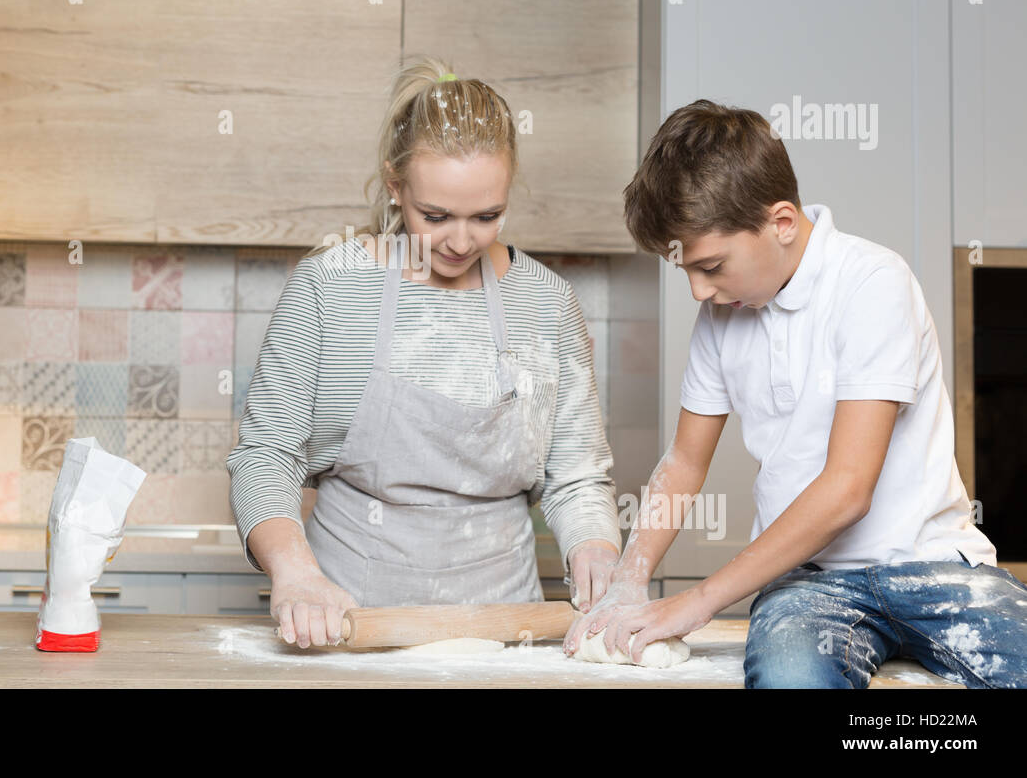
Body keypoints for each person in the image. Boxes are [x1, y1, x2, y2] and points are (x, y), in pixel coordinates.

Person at [564, 98, 1027, 687]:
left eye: (710, 265)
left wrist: (698, 600)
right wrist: (631, 581)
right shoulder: (723, 317)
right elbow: (682, 463)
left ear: (782, 223)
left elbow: (847, 490)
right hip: (809, 585)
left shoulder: (872, 283)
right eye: (684, 270)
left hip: (934, 566)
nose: (698, 292)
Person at [226, 55, 622, 649]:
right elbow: (266, 455)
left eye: (487, 216)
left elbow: (576, 476)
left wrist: (595, 549)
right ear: (395, 186)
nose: (461, 242)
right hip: (349, 624)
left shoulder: (546, 302)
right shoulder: (330, 286)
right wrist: (296, 574)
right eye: (434, 216)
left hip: (505, 633)